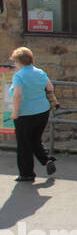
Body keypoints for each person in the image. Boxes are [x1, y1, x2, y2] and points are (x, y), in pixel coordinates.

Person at [8, 47, 57, 182]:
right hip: (42, 111)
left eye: (15, 61)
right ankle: (46, 160)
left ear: (19, 61)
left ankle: (27, 173)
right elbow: (50, 88)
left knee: (24, 144)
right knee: (35, 139)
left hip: (25, 113)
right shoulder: (40, 72)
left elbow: (18, 96)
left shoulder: (19, 76)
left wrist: (15, 113)